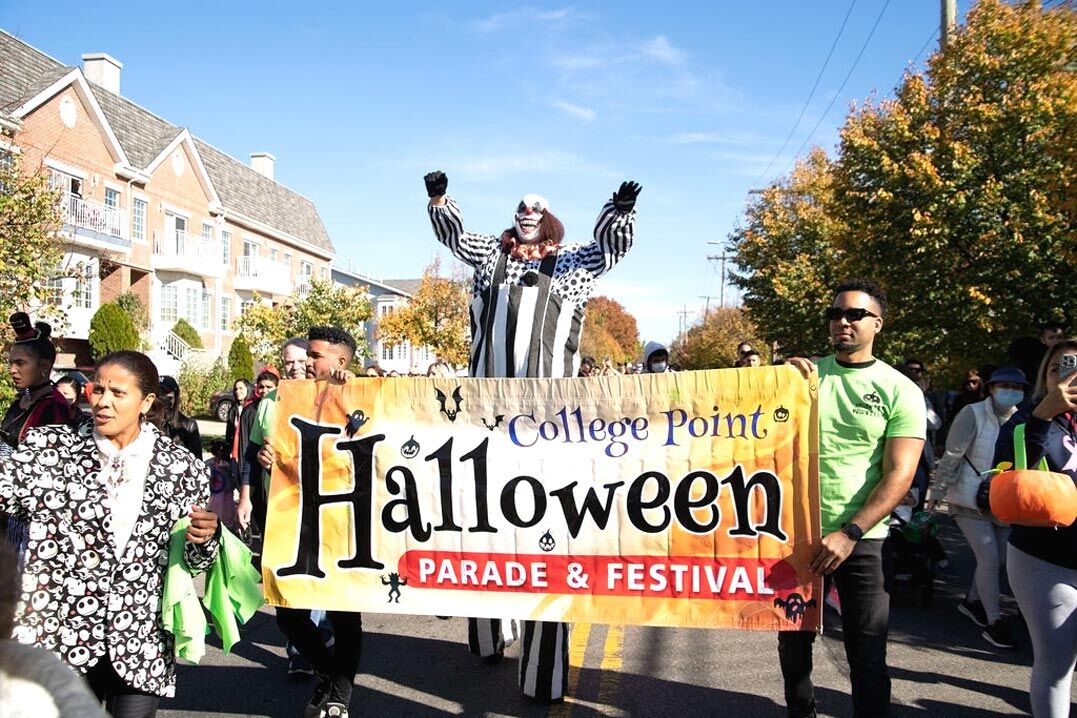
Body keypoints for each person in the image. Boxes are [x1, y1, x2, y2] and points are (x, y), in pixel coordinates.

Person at [425, 169, 639, 702]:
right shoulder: (486, 257)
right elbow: (454, 235)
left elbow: (610, 249)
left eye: (537, 208)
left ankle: (542, 671)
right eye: (521, 207)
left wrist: (620, 211)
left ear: (548, 220)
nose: (527, 213)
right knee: (481, 529)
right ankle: (490, 629)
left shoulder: (570, 264)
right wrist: (439, 200)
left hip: (552, 427)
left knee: (549, 540)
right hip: (484, 419)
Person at [0, 350, 220, 718]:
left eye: (118, 393)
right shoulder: (51, 449)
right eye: (98, 390)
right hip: (61, 633)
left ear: (146, 402)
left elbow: (192, 564)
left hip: (139, 637)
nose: (103, 401)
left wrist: (205, 539)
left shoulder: (180, 468)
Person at [779, 280, 926, 718]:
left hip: (864, 540)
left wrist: (850, 532)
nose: (842, 322)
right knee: (792, 643)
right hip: (795, 533)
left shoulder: (900, 390)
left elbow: (900, 474)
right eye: (836, 313)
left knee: (866, 651)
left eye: (855, 315)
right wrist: (773, 382)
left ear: (877, 324)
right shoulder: (801, 377)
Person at [266, 327, 365, 718]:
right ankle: (328, 673)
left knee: (343, 612)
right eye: (307, 353)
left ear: (340, 362)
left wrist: (353, 388)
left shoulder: (358, 393)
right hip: (300, 518)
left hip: (346, 522)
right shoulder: (291, 401)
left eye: (316, 354)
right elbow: (284, 452)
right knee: (288, 610)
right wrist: (270, 459)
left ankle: (340, 695)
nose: (308, 360)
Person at [993, 339, 1077, 718]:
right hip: (1046, 559)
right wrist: (1043, 417)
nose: (1067, 374)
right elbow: (1007, 470)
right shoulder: (1024, 419)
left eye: (1074, 366)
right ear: (1045, 375)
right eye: (1057, 367)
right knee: (1057, 664)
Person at [928, 367, 1029, 649]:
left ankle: (973, 602)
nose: (1011, 391)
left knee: (998, 561)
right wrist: (937, 493)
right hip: (969, 499)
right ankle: (993, 621)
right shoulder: (972, 413)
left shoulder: (1025, 417)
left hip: (1004, 500)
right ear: (992, 388)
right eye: (1005, 385)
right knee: (989, 558)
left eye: (1017, 387)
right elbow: (953, 455)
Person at [1, 315, 72, 563]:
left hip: (31, 517)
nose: (12, 370)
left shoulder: (54, 407)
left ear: (44, 366)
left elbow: (52, 469)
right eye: (11, 362)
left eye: (21, 363)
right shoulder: (21, 401)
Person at [158, 375, 202, 457]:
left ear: (175, 396)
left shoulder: (188, 426)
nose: (162, 397)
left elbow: (197, 460)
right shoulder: (145, 422)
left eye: (165, 393)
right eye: (159, 393)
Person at [206, 439, 239, 532]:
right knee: (218, 510)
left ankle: (224, 527)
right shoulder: (211, 464)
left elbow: (231, 482)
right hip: (218, 494)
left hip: (224, 494)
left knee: (224, 512)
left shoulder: (227, 465)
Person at [223, 379, 253, 471]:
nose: (237, 391)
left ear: (248, 389)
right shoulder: (233, 410)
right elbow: (229, 433)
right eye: (236, 389)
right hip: (235, 453)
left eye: (241, 388)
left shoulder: (252, 409)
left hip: (248, 452)